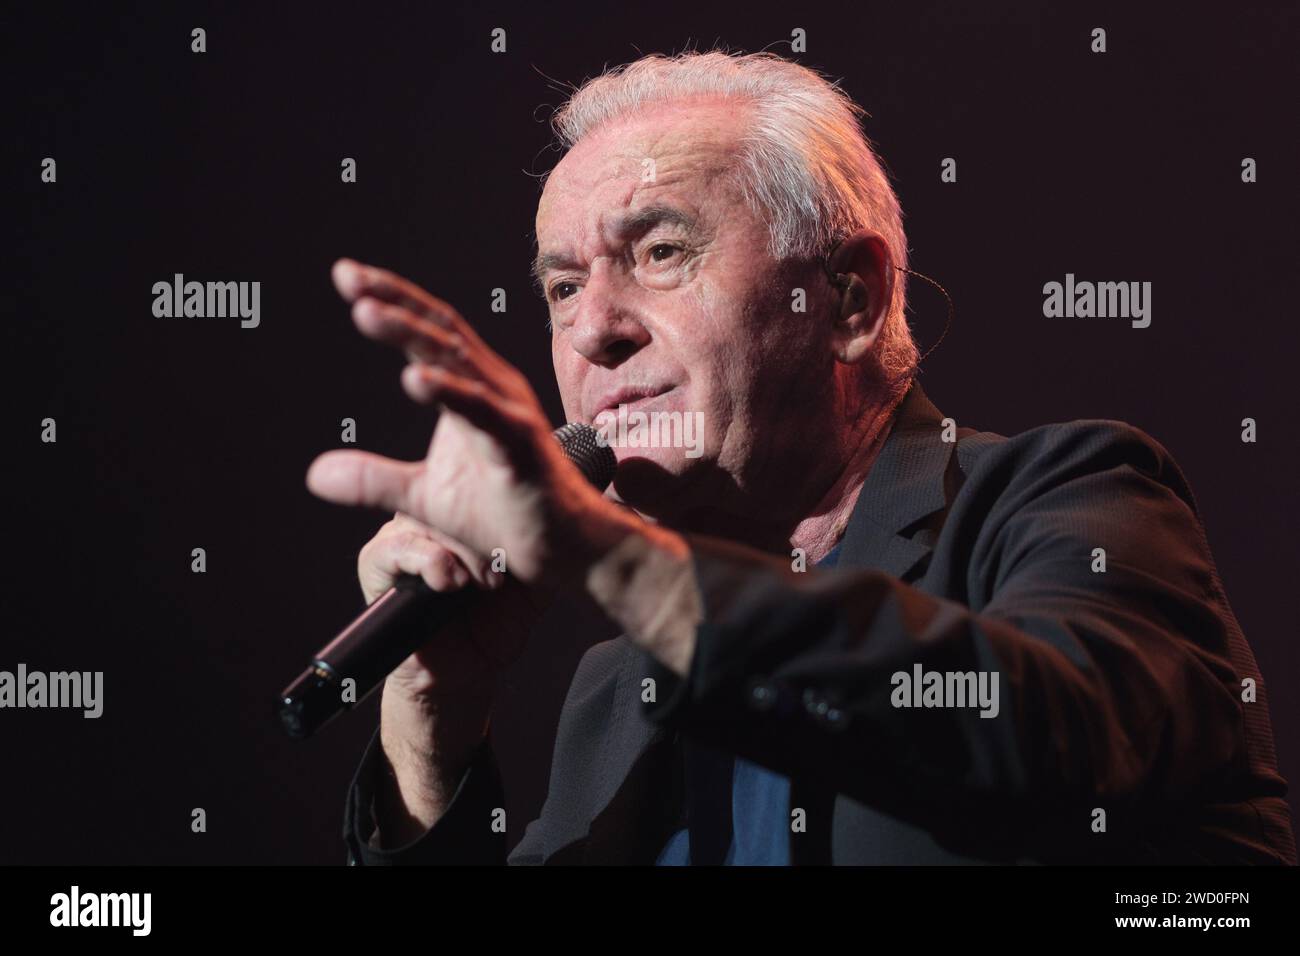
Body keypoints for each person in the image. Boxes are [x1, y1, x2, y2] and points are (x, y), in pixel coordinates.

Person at [304, 51, 1295, 865]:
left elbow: (1049, 743)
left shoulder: (1065, 502)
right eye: (562, 285)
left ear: (851, 300)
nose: (593, 331)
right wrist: (430, 721)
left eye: (659, 253)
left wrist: (616, 561)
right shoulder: (617, 688)